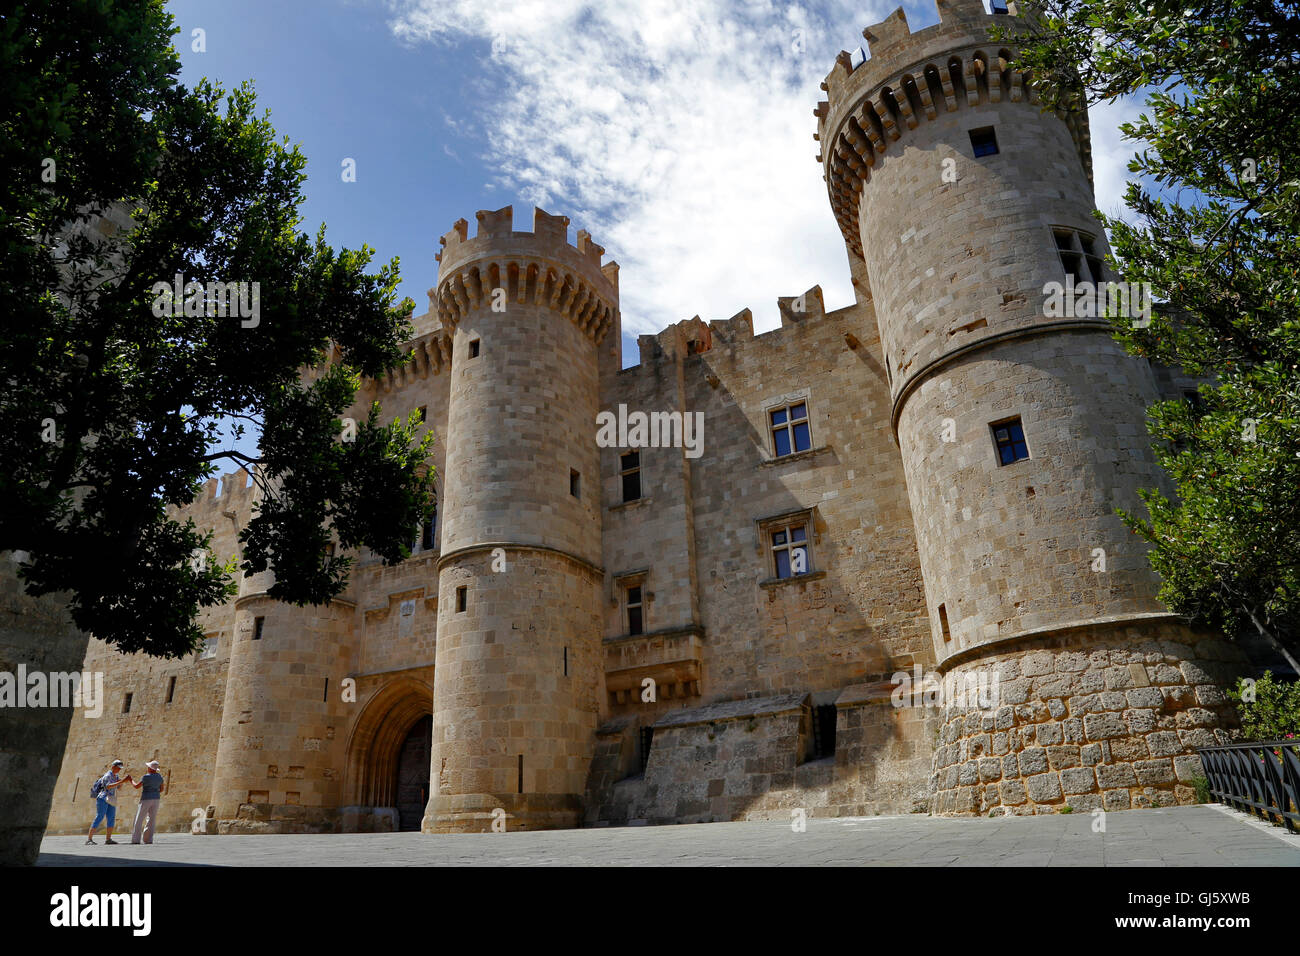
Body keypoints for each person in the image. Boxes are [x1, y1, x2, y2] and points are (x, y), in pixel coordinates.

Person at [86, 759, 130, 845]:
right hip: (103, 798)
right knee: (99, 816)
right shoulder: (107, 775)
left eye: (120, 768)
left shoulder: (115, 776)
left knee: (111, 818)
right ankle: (89, 839)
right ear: (113, 767)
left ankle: (108, 839)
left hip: (111, 798)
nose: (119, 770)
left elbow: (119, 787)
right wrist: (121, 781)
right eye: (118, 768)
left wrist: (122, 782)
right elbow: (108, 786)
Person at [129, 759, 165, 844]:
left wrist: (130, 780)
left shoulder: (146, 777)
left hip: (146, 798)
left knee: (139, 819)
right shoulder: (160, 777)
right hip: (156, 799)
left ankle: (136, 839)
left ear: (150, 768)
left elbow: (136, 786)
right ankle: (148, 839)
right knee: (151, 819)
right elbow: (162, 789)